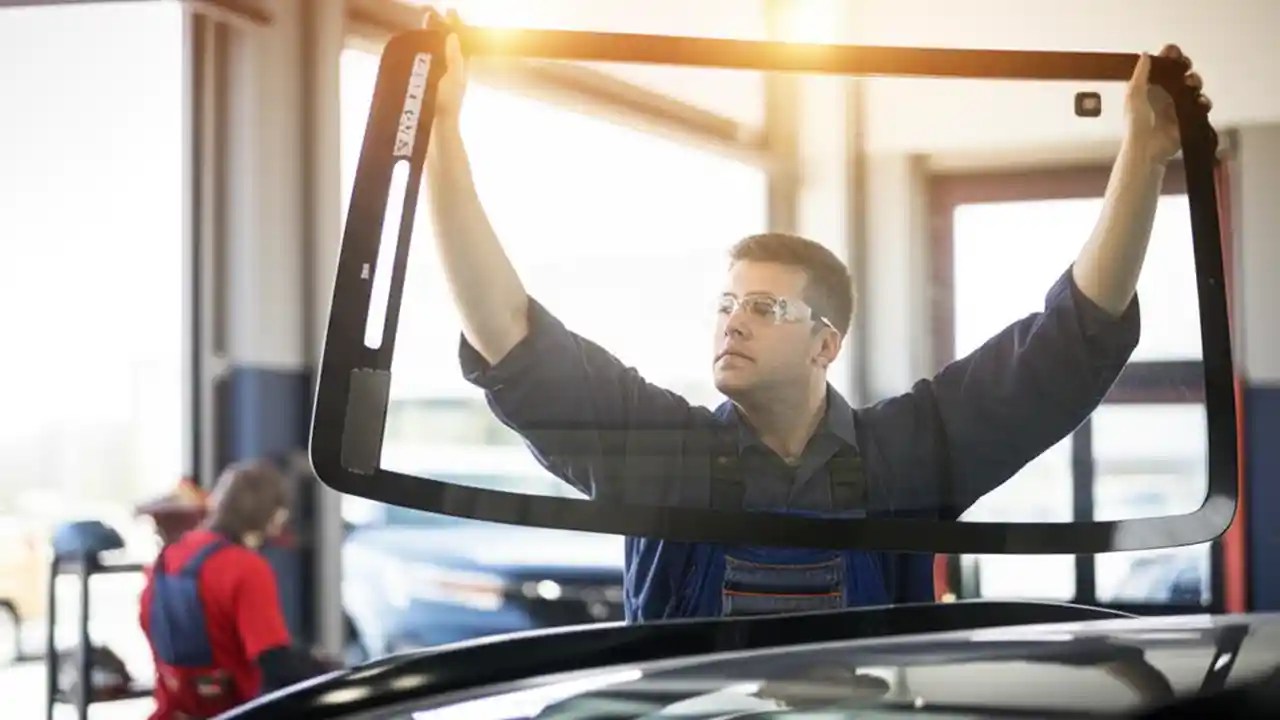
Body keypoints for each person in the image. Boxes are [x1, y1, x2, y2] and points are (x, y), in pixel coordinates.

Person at [422, 12, 1213, 621]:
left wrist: (1142, 157)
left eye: (764, 307)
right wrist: (442, 132)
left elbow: (1068, 345)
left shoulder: (908, 452)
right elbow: (507, 332)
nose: (732, 322)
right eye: (727, 303)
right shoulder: (662, 451)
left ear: (825, 343)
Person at [138, 460, 334, 720]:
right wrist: (326, 670)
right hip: (233, 713)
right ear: (273, 514)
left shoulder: (168, 559)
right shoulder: (246, 568)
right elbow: (272, 660)